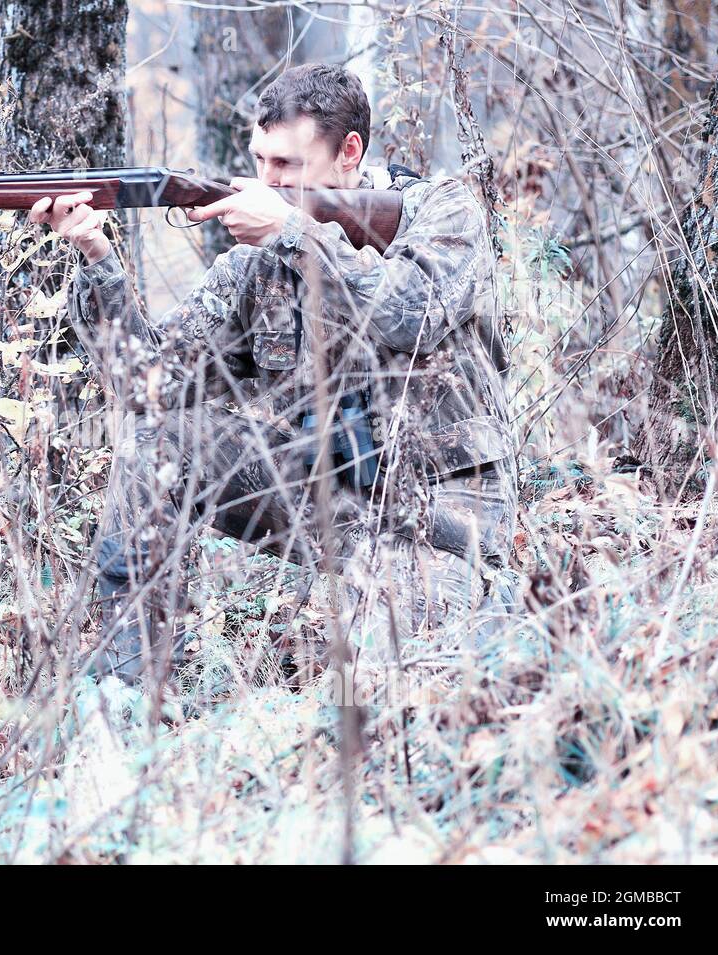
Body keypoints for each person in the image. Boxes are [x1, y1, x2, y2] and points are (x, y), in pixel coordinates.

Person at [29, 63, 519, 688]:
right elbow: (146, 383)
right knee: (162, 436)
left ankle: (488, 602)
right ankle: (134, 690)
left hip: (440, 511)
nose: (265, 181)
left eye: (286, 165)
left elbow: (409, 313)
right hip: (326, 496)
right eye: (259, 161)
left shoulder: (442, 211)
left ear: (350, 152)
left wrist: (295, 232)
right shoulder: (255, 264)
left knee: (395, 692)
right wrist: (97, 259)